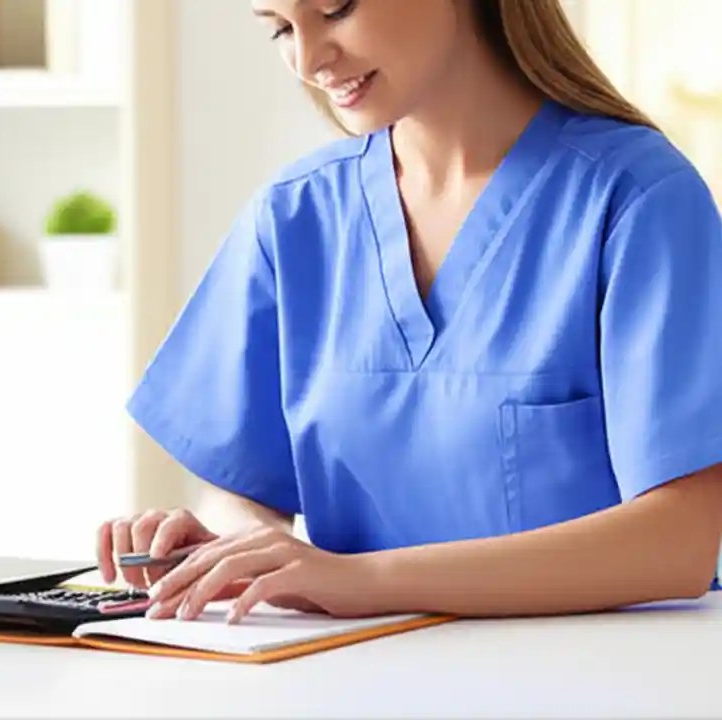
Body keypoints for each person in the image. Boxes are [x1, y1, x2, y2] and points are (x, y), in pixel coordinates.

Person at [98, 0, 722, 624]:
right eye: (281, 29)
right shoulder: (295, 217)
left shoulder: (638, 200)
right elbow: (241, 487)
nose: (309, 60)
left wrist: (360, 581)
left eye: (336, 10)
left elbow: (681, 542)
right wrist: (233, 550)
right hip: (350, 684)